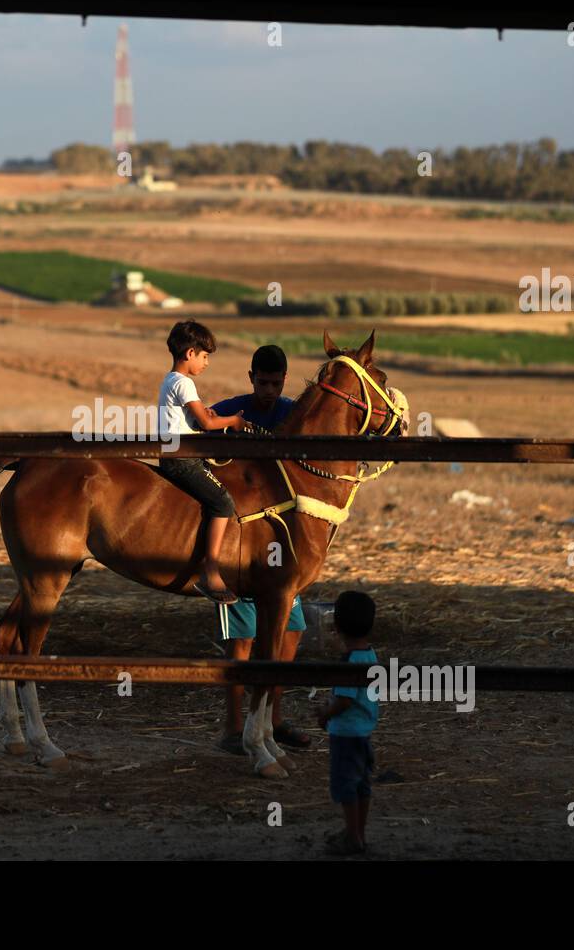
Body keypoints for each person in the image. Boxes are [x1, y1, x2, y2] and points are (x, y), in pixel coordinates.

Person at [210, 345, 311, 754]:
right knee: (243, 639)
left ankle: (273, 717)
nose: (268, 389)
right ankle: (234, 727)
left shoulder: (291, 415)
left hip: (280, 541)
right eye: (262, 382)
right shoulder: (232, 410)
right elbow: (203, 439)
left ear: (284, 380)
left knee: (292, 629)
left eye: (275, 382)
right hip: (243, 542)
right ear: (251, 377)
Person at [157, 320, 243, 605]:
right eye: (204, 356)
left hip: (174, 454)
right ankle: (211, 569)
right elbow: (207, 422)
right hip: (183, 460)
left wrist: (200, 418)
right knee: (223, 503)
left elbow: (193, 421)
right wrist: (234, 420)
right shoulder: (184, 383)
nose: (206, 363)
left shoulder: (170, 381)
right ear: (190, 353)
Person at [316, 590, 379, 857]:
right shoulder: (371, 655)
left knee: (345, 786)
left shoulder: (349, 663)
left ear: (336, 626)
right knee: (362, 785)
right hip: (364, 731)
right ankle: (359, 834)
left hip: (346, 733)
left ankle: (352, 837)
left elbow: (343, 700)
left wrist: (325, 714)